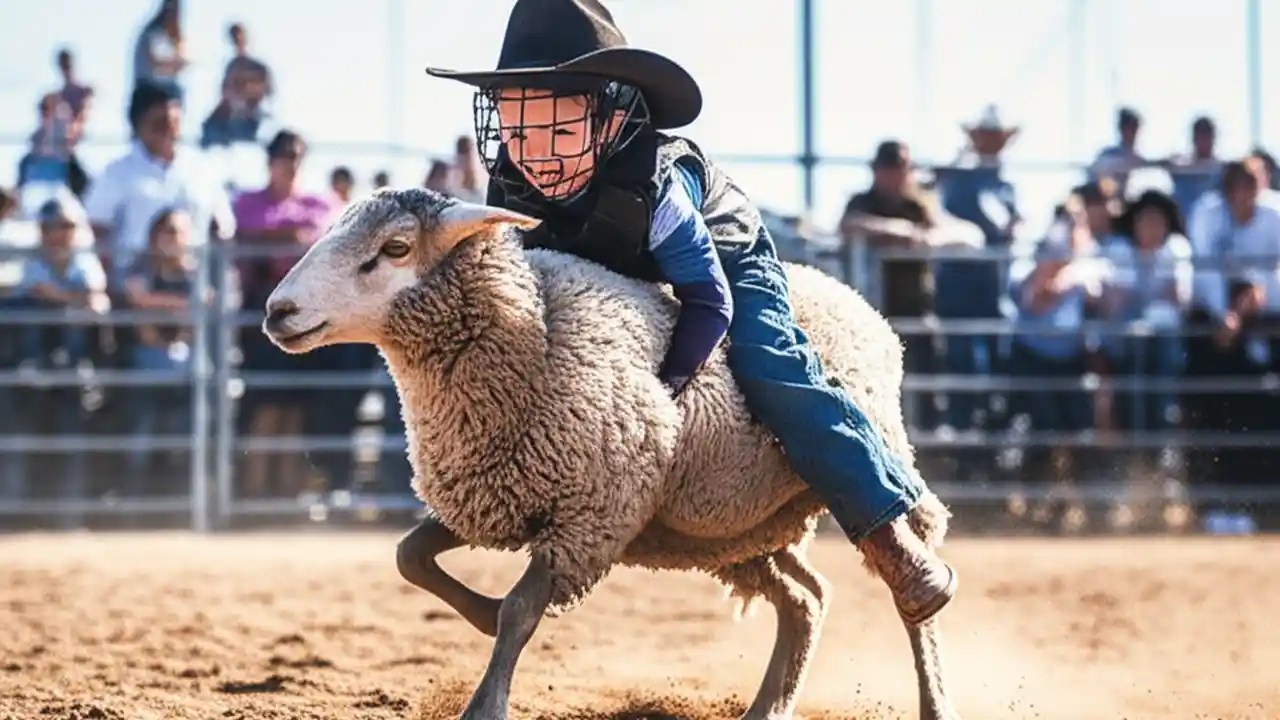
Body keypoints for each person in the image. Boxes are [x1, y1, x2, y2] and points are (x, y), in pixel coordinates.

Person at [426, 0, 955, 624]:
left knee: (772, 368)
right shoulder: (511, 183)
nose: (536, 154)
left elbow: (709, 302)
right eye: (519, 131)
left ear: (610, 118)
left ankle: (886, 532)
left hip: (724, 258)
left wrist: (661, 391)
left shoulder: (660, 185)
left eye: (561, 132)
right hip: (606, 269)